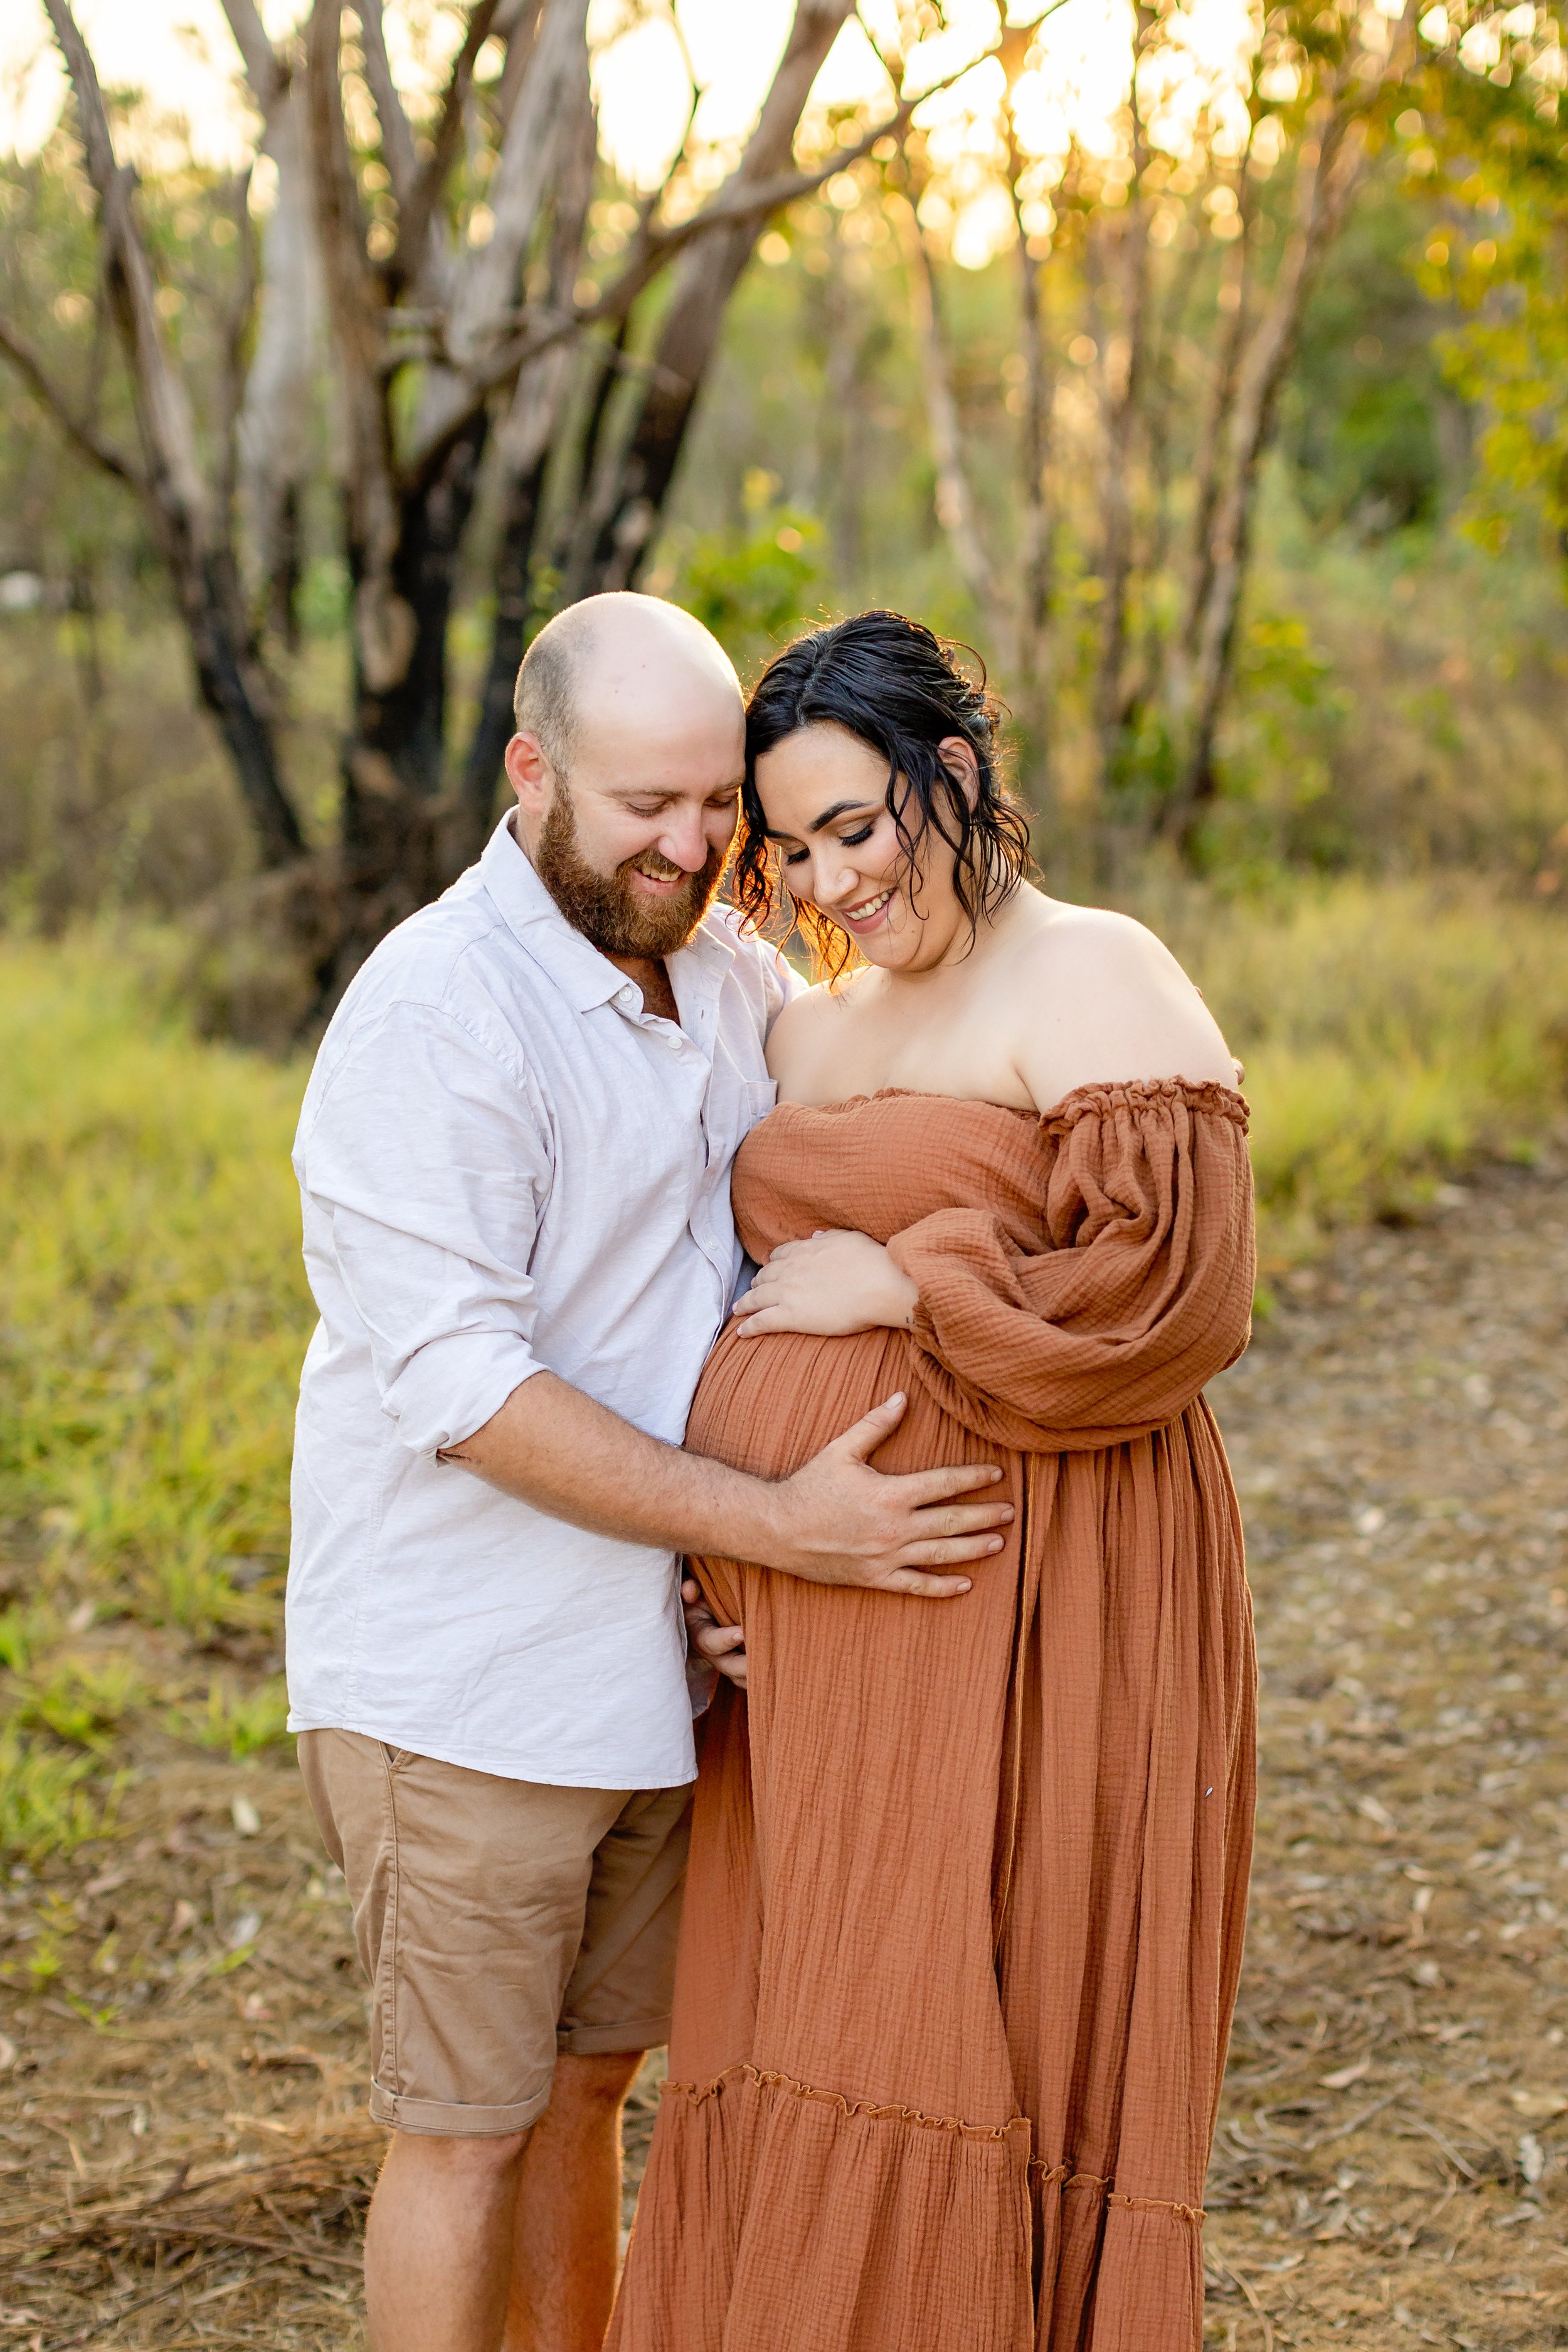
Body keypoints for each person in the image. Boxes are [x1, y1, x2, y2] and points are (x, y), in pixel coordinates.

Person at [283, 593, 1014, 2352]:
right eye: (644, 809)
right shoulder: (437, 1010)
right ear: (531, 774)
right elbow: (460, 1383)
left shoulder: (727, 973)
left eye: (716, 808)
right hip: (462, 1682)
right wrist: (771, 1527)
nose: (693, 847)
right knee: (463, 2131)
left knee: (594, 2093)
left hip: (660, 1677)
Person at [609, 610, 1258, 2352]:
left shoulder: (1096, 973)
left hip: (1047, 1591)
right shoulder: (806, 1026)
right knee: (813, 2017)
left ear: (951, 777)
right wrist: (724, 1555)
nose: (830, 882)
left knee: (994, 2015)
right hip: (817, 1640)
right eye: (797, 845)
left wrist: (910, 1285)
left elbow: (1177, 1294)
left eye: (858, 827)